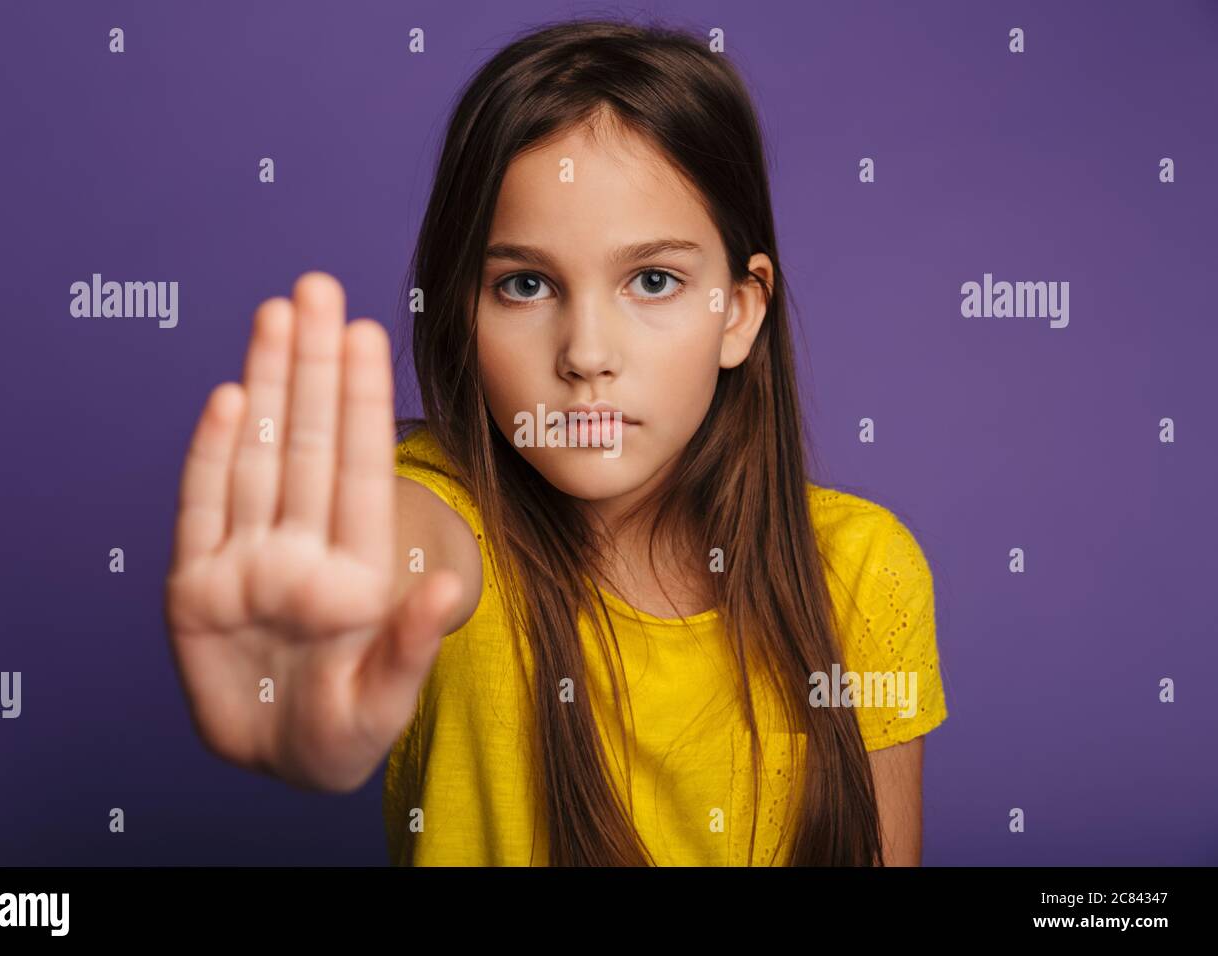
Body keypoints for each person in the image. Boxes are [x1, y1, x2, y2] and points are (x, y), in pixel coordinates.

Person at [163, 18, 948, 866]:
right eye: (526, 285)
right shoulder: (444, 513)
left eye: (653, 280)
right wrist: (315, 624)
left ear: (740, 312)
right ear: (463, 312)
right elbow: (404, 551)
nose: (585, 354)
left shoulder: (861, 572)